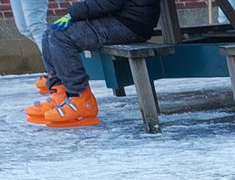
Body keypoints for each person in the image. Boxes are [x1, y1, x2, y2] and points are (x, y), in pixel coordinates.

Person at [24, 0, 160, 127]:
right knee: (50, 33)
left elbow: (110, 2)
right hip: (117, 16)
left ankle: (81, 100)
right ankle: (60, 95)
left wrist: (74, 14)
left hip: (131, 22)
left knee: (61, 37)